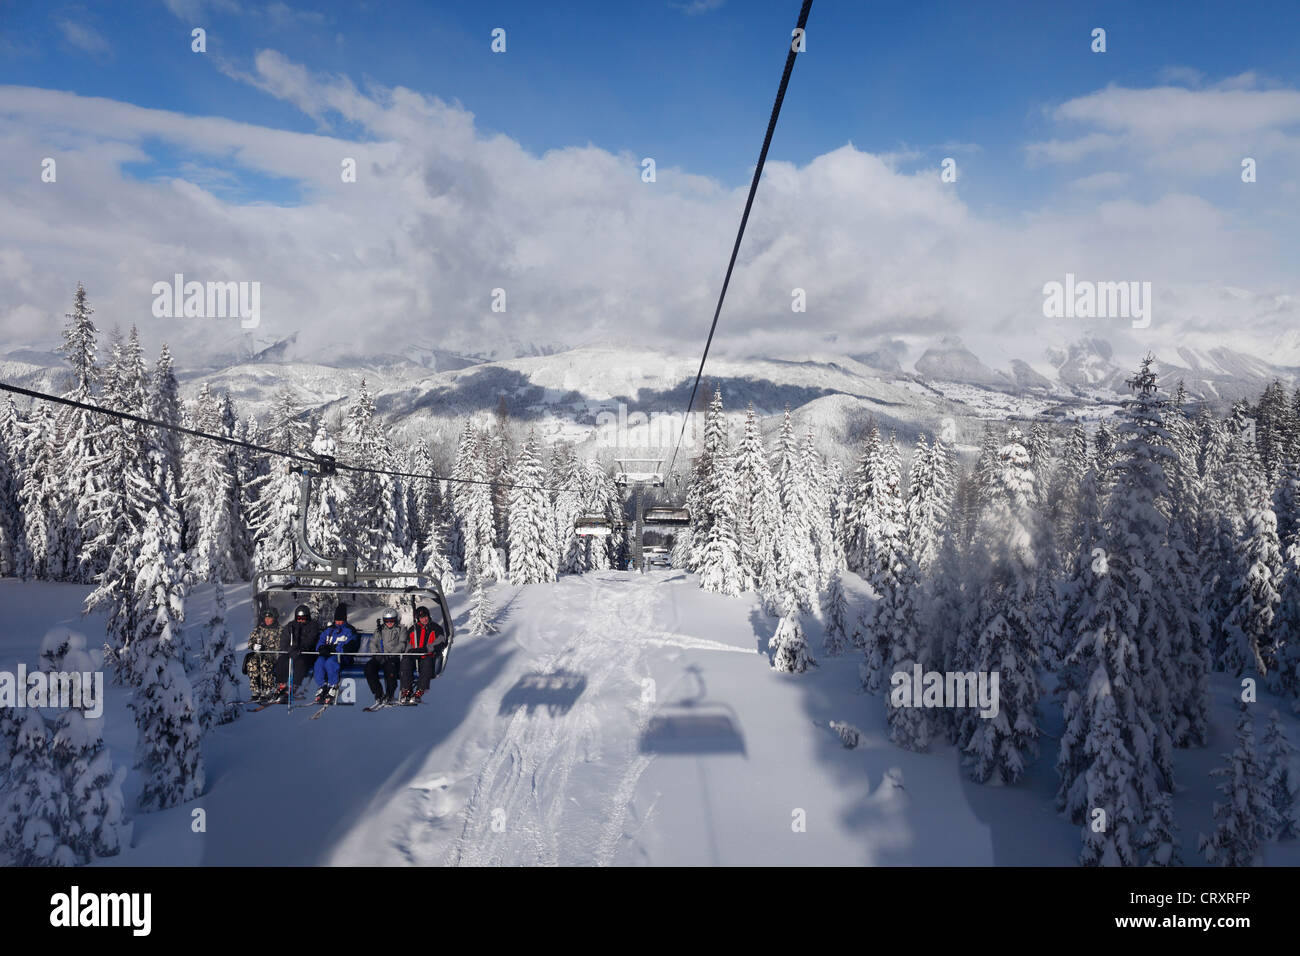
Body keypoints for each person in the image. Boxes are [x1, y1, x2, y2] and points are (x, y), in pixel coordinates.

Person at [398, 605, 444, 704]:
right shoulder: (413, 629)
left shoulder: (435, 628)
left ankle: (420, 691)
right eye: (422, 617)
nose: (424, 619)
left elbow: (440, 641)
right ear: (418, 619)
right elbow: (409, 643)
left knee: (427, 663)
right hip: (415, 656)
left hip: (427, 655)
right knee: (405, 661)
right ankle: (406, 690)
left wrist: (427, 649)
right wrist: (409, 651)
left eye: (426, 616)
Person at [313, 603, 358, 704]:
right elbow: (321, 641)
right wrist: (321, 648)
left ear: (345, 619)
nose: (338, 623)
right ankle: (322, 685)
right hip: (330, 654)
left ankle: (333, 685)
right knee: (319, 662)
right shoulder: (329, 630)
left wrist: (335, 648)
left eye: (341, 620)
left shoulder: (349, 630)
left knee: (330, 662)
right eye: (337, 620)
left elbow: (349, 645)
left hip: (342, 657)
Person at [273, 604, 315, 702]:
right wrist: (291, 649)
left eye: (303, 618)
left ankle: (294, 686)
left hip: (306, 653)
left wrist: (300, 649)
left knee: (300, 662)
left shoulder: (312, 626)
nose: (301, 620)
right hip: (291, 652)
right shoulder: (290, 626)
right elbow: (283, 641)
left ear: (307, 617)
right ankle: (281, 685)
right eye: (299, 618)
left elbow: (311, 640)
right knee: (282, 660)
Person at [364, 609, 403, 706]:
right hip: (380, 657)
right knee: (369, 668)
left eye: (391, 621)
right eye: (387, 621)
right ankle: (378, 693)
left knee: (390, 668)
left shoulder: (400, 629)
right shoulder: (379, 630)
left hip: (393, 657)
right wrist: (377, 654)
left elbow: (402, 644)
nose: (389, 623)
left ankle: (390, 694)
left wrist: (391, 654)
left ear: (396, 620)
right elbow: (373, 643)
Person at [244, 607, 280, 701]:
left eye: (270, 617)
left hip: (273, 655)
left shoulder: (279, 630)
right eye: (266, 617)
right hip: (259, 654)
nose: (267, 620)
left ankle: (268, 689)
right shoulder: (259, 629)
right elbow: (250, 642)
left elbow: (283, 644)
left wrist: (271, 648)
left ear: (274, 618)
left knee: (265, 664)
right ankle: (256, 689)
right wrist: (253, 646)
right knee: (252, 663)